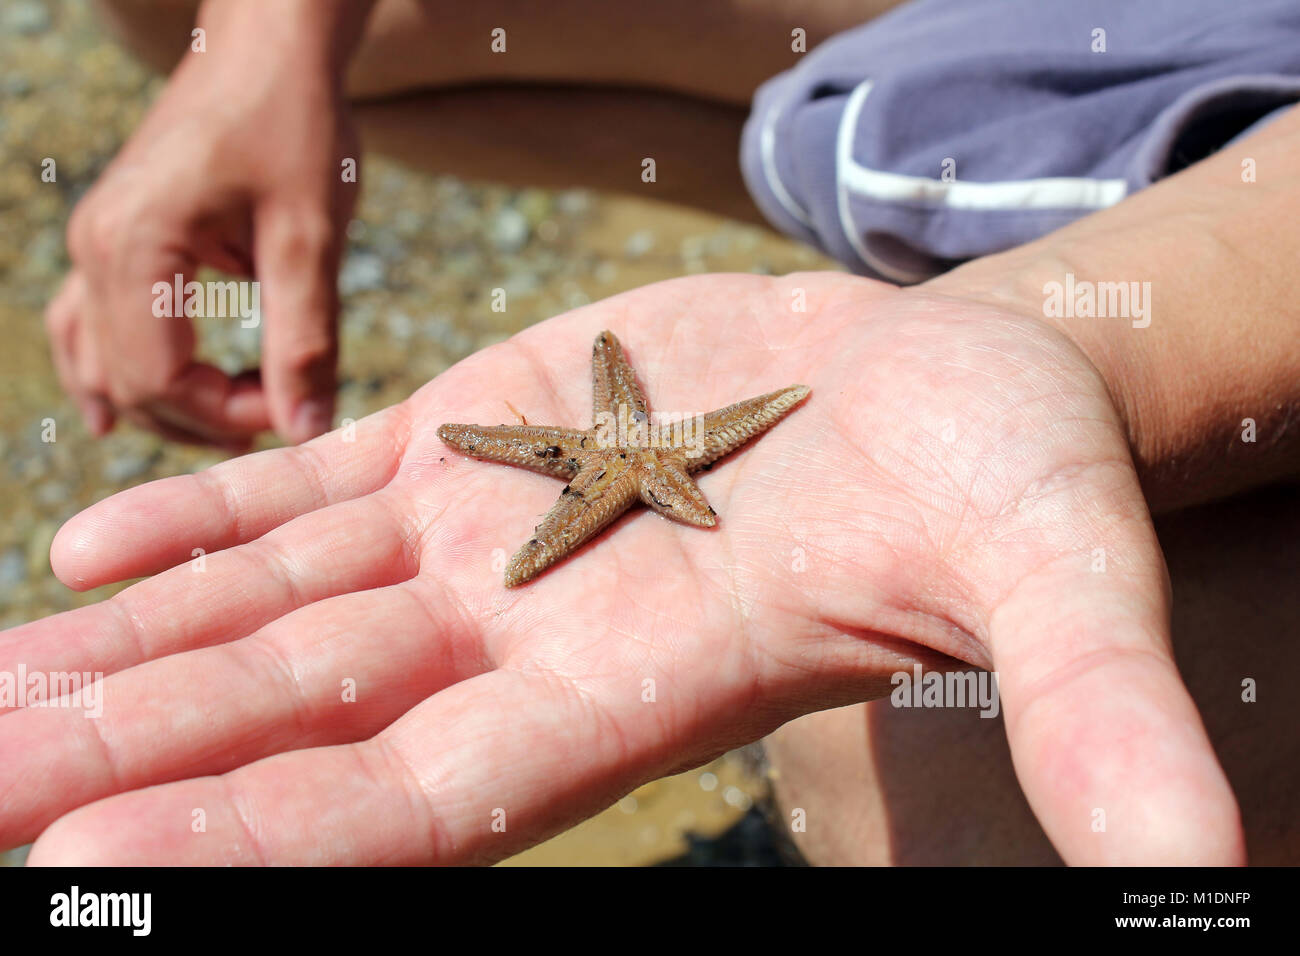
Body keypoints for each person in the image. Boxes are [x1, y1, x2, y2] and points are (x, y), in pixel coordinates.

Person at [8, 0, 1298, 864]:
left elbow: (649, 463)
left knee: (896, 759)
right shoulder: (613, 449)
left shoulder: (647, 460)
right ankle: (912, 217)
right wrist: (263, 46)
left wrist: (1063, 337)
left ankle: (951, 266)